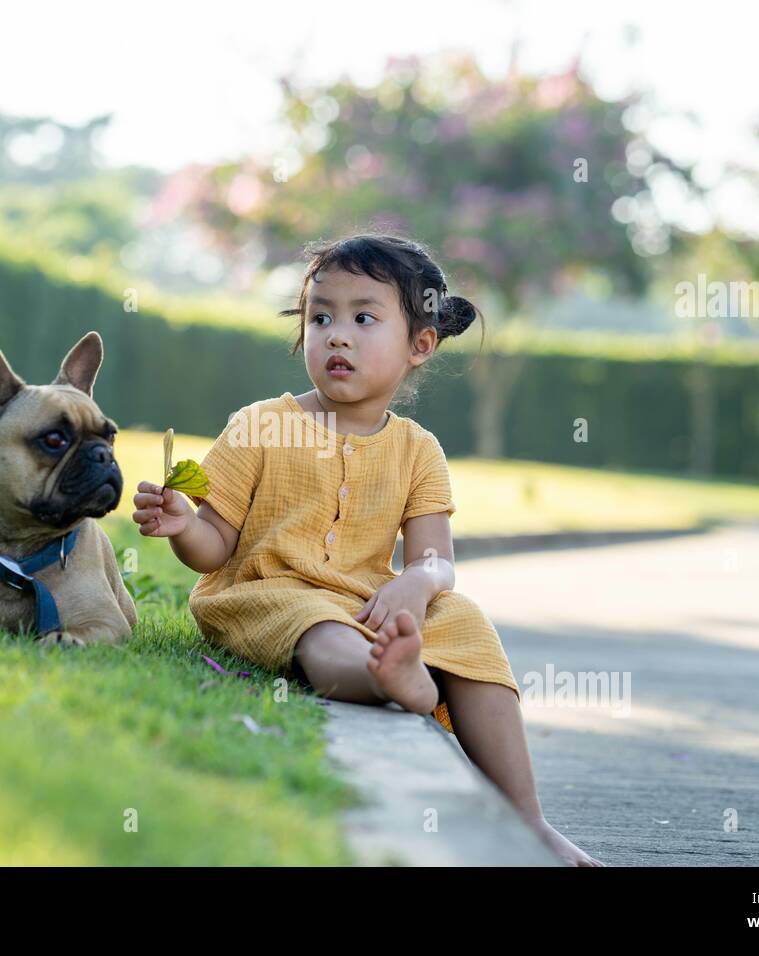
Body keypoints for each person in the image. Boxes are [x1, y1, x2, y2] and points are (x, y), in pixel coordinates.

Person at [132, 233, 603, 866]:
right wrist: (184, 524)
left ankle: (529, 818)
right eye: (320, 317)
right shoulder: (261, 424)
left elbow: (437, 560)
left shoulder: (418, 450)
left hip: (364, 601)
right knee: (320, 629)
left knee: (465, 626)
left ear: (420, 345)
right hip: (268, 596)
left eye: (363, 318)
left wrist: (419, 583)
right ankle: (391, 681)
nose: (337, 335)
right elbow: (215, 547)